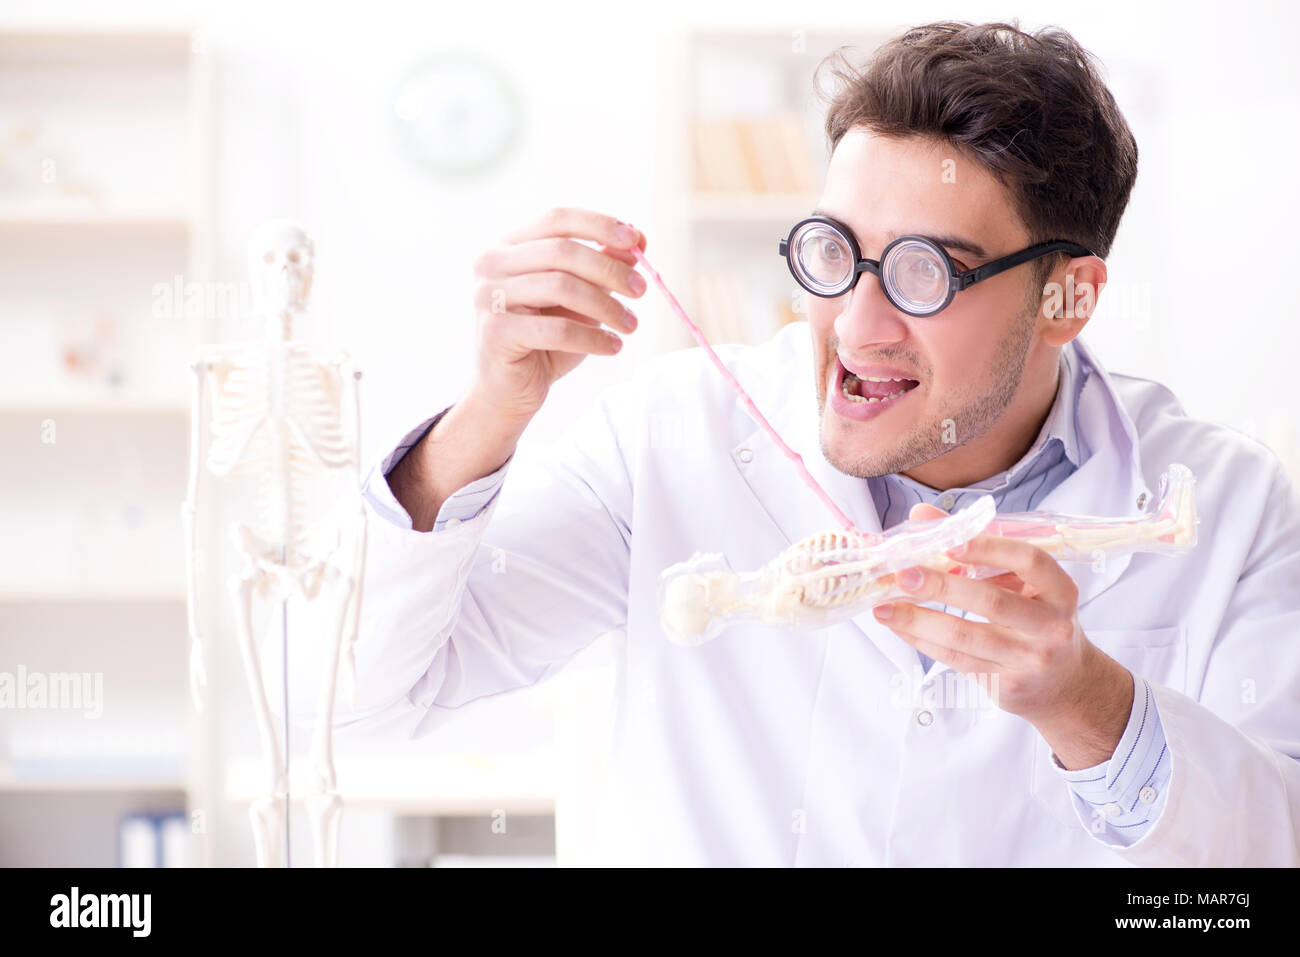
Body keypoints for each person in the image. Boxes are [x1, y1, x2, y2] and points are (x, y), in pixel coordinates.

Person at [339, 21, 1300, 865]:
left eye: (926, 271)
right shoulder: (670, 438)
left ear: (1069, 297)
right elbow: (367, 701)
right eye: (834, 252)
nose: (855, 323)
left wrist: (1090, 705)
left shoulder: (1226, 502)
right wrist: (487, 415)